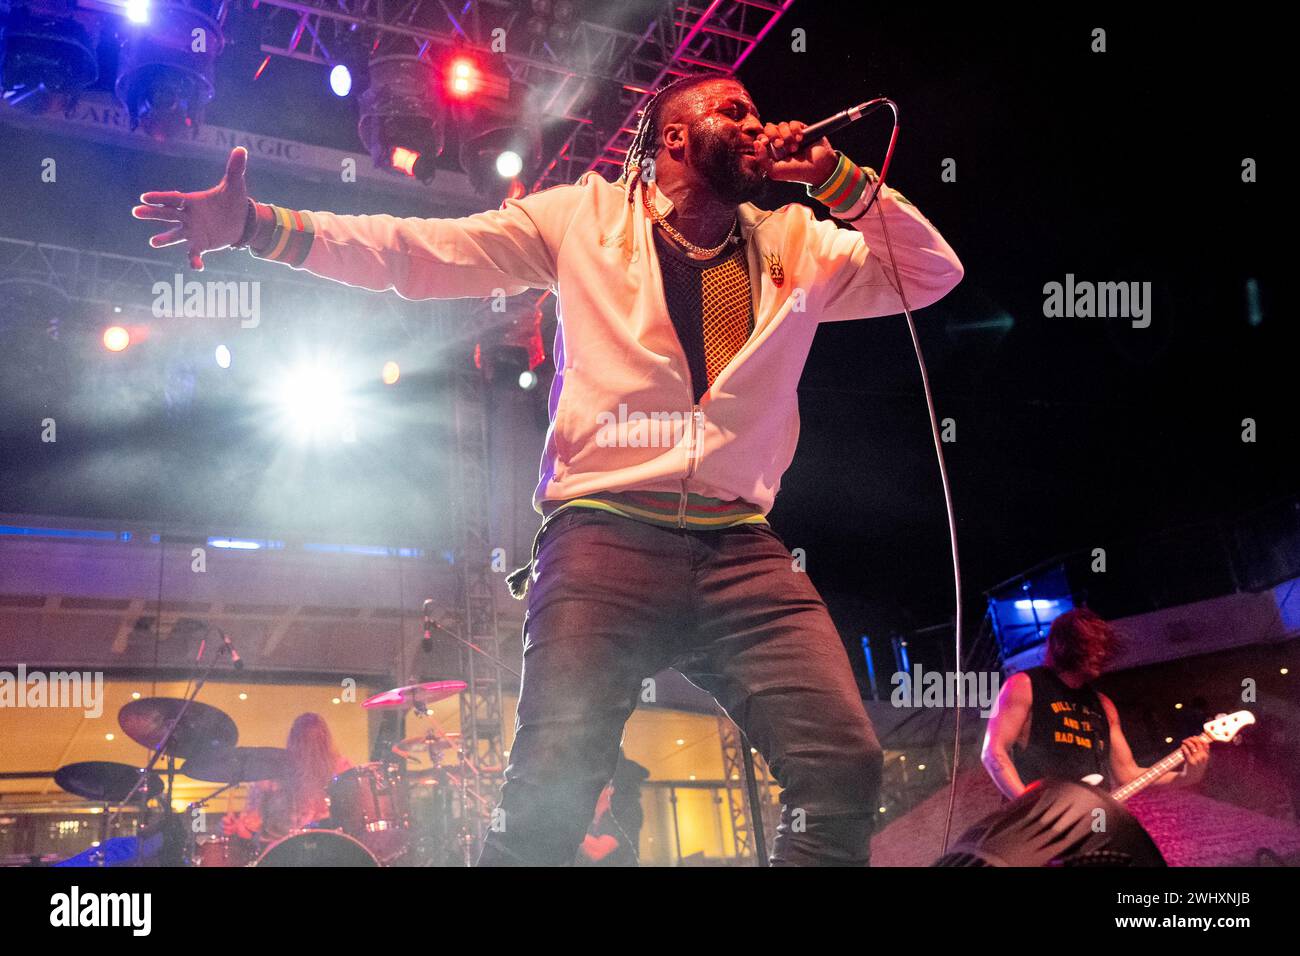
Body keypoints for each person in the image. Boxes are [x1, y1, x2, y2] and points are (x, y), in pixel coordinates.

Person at [133, 73, 964, 865]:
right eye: (735, 113)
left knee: (844, 767)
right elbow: (419, 254)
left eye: (758, 116)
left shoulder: (801, 243)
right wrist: (257, 227)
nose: (758, 126)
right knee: (549, 799)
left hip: (741, 548)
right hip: (604, 538)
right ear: (676, 136)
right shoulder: (584, 219)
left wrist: (843, 182)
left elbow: (932, 274)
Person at [981, 608, 1210, 798]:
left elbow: (1127, 773)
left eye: (1103, 646)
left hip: (1090, 821)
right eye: (1091, 644)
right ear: (1065, 645)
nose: (1100, 652)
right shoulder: (1024, 685)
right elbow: (993, 753)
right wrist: (1033, 811)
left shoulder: (1103, 705)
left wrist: (1186, 776)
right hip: (1038, 820)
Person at [222, 713, 352, 846]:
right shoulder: (273, 776)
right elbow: (253, 827)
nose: (310, 750)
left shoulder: (341, 768)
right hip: (291, 853)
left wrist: (244, 829)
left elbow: (354, 817)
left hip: (327, 850)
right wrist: (239, 827)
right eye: (304, 741)